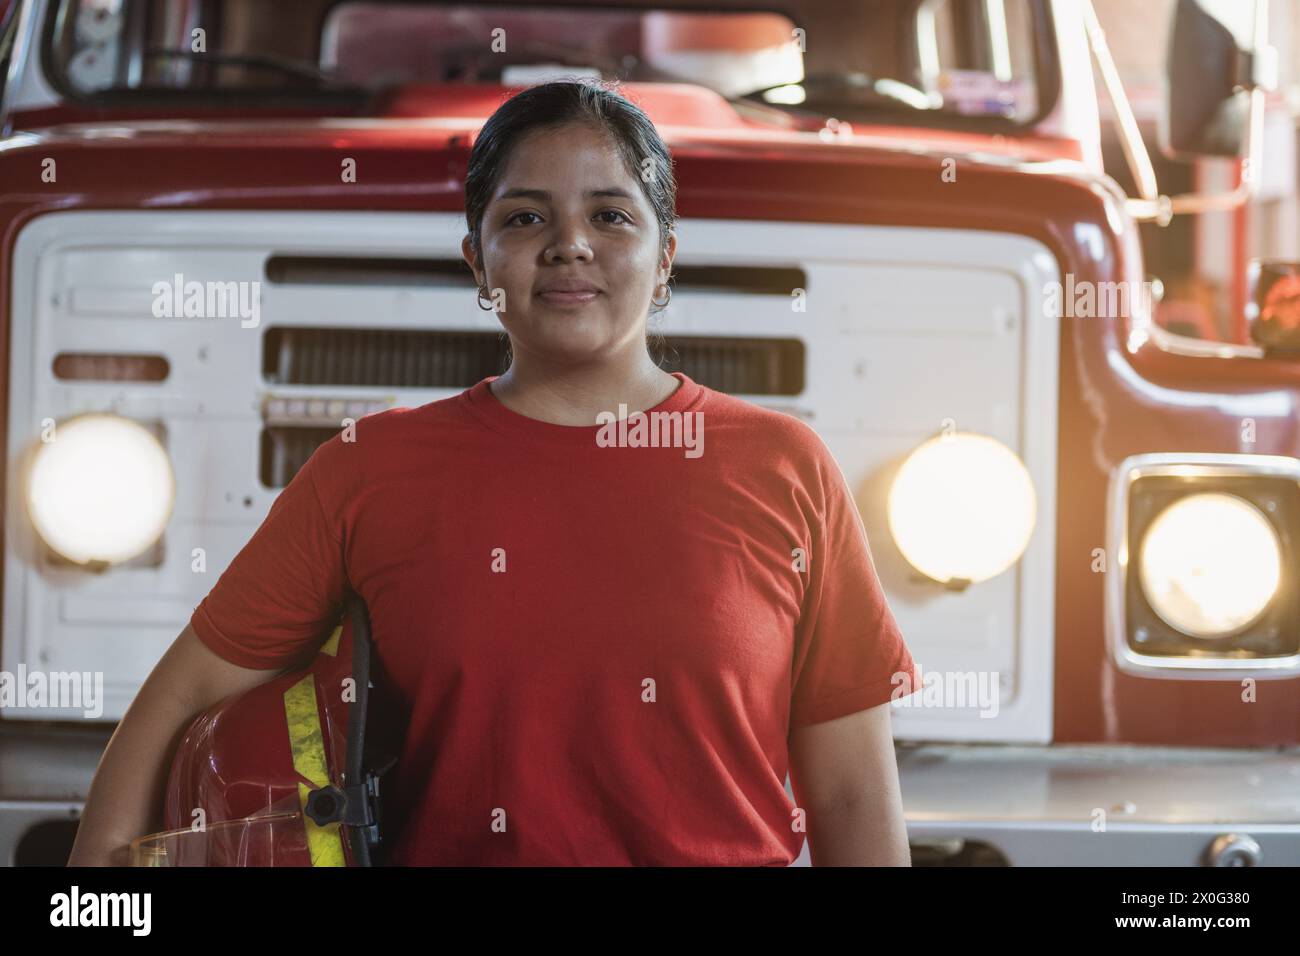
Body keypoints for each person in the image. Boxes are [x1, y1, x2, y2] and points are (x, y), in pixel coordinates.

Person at [69, 78, 920, 867]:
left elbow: (848, 791)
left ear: (665, 260)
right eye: (524, 219)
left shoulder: (786, 468)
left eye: (613, 216)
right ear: (477, 262)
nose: (569, 247)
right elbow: (179, 703)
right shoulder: (370, 472)